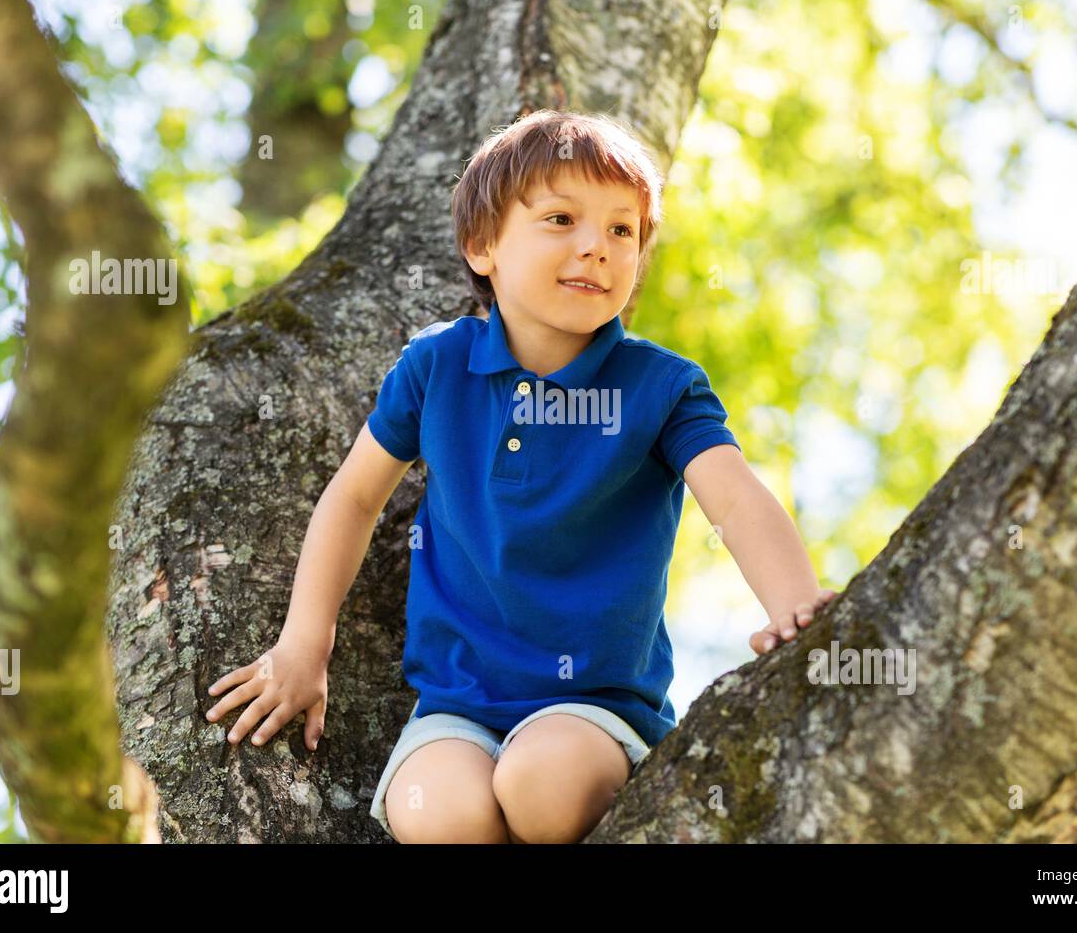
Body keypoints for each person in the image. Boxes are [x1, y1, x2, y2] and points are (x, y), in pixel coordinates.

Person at [204, 109, 834, 843]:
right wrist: (304, 647)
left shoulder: (660, 386)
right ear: (483, 247)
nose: (596, 247)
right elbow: (352, 498)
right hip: (456, 709)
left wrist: (795, 608)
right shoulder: (435, 367)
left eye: (622, 230)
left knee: (543, 785)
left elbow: (732, 492)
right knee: (435, 815)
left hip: (594, 708)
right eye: (562, 219)